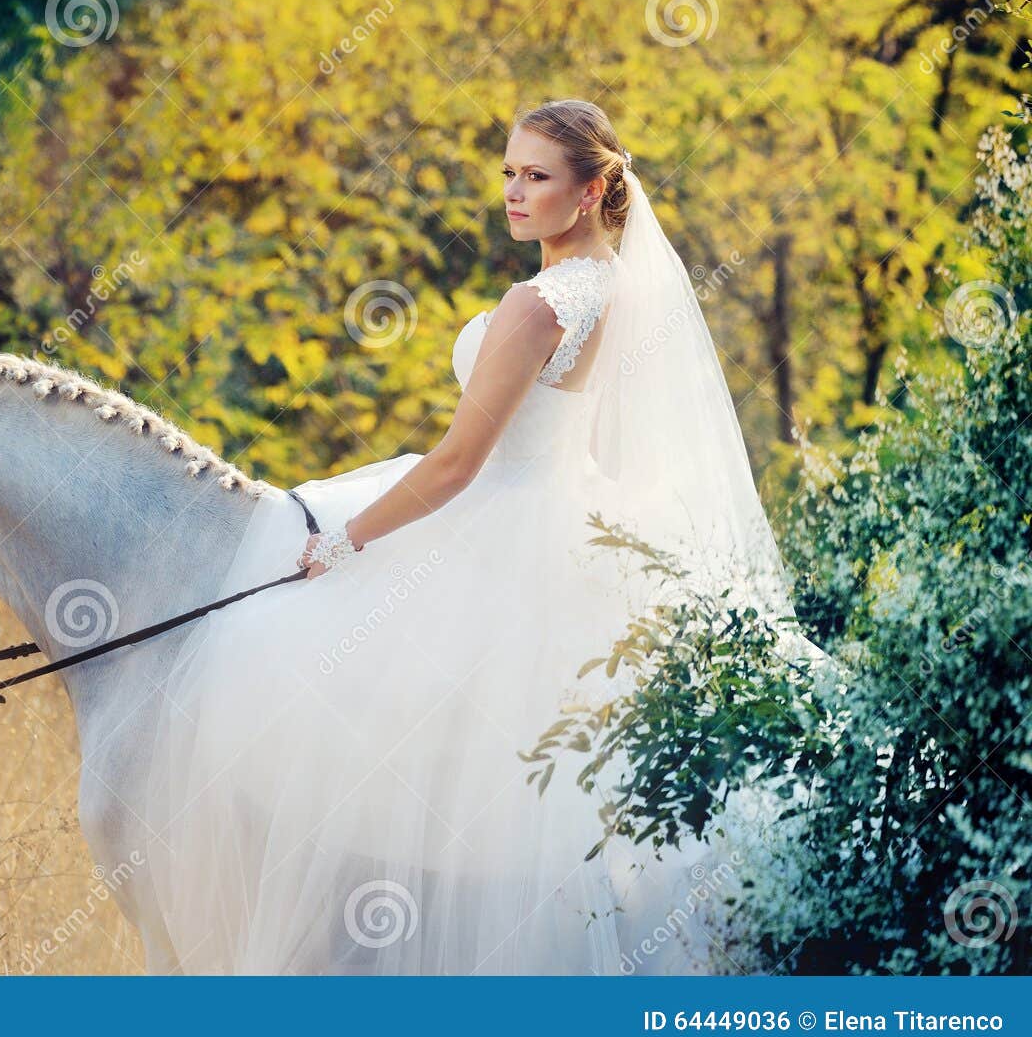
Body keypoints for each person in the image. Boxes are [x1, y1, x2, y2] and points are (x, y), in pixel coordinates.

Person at [138, 98, 795, 974]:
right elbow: (586, 428)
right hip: (568, 514)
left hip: (502, 522)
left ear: (594, 187)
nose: (515, 194)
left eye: (538, 176)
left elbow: (455, 467)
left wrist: (343, 543)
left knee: (288, 666)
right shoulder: (614, 284)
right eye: (509, 174)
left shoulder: (537, 304)